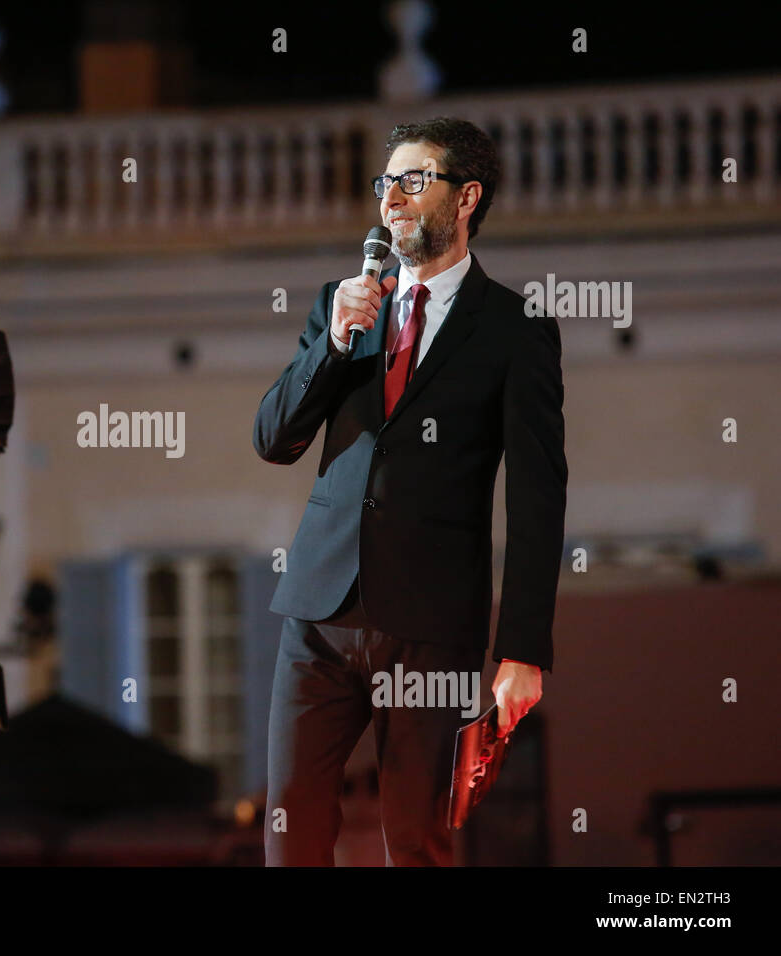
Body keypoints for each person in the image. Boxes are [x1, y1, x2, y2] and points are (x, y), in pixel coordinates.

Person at [252, 117, 567, 866]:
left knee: (416, 840)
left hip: (430, 626)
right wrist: (329, 347)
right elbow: (274, 440)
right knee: (290, 831)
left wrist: (522, 650)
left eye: (413, 179)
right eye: (385, 181)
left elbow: (537, 497)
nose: (391, 196)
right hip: (319, 613)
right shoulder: (344, 301)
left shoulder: (515, 328)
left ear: (466, 199)